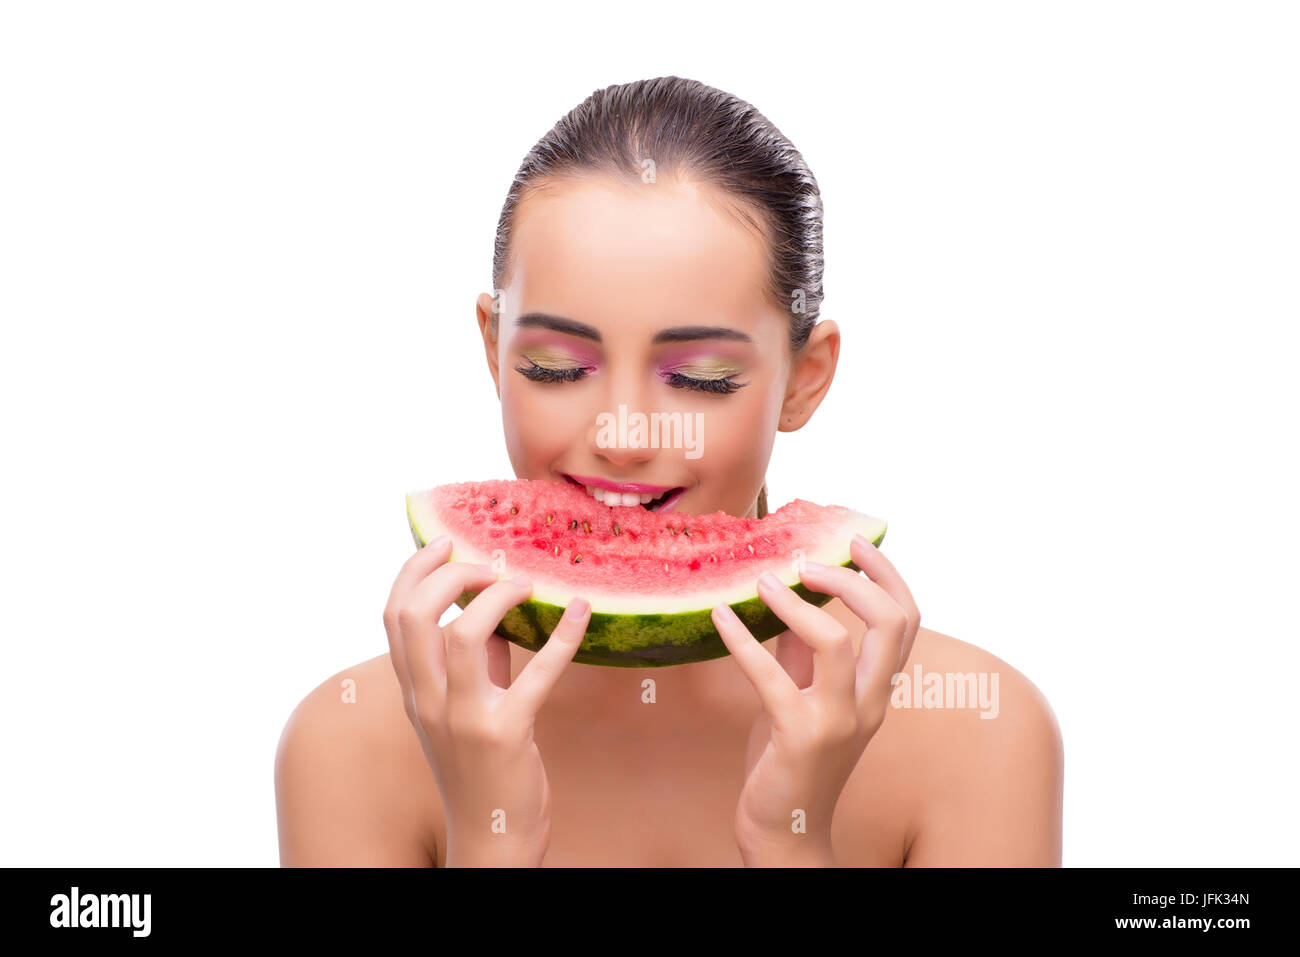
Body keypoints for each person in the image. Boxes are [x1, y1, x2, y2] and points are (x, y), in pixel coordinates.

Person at [275, 76, 1064, 867]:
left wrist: (788, 838)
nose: (623, 431)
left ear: (805, 378)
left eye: (700, 378)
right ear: (494, 351)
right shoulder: (347, 745)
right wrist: (492, 837)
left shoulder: (982, 734)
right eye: (554, 367)